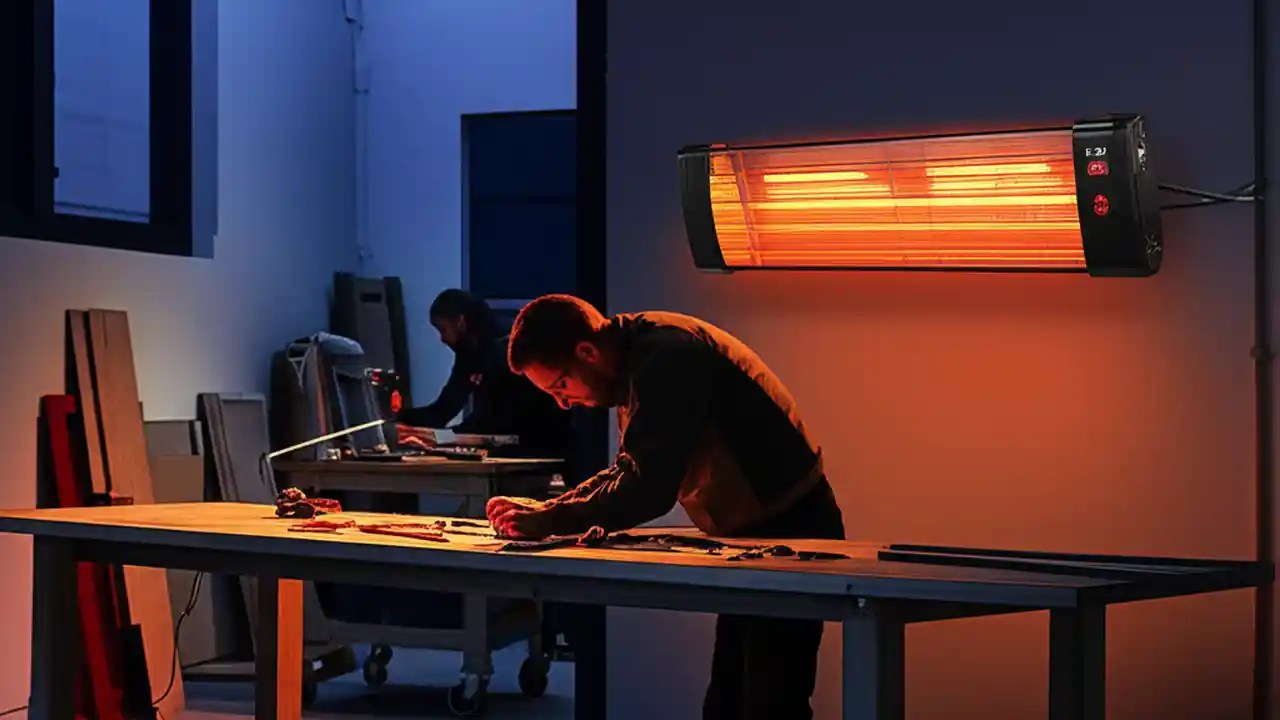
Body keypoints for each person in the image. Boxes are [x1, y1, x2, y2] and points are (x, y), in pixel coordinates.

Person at [485, 294, 845, 720]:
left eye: (561, 386)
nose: (562, 403)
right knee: (728, 704)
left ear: (586, 352)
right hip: (756, 538)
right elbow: (630, 468)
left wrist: (548, 520)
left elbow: (648, 488)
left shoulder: (667, 357)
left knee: (769, 706)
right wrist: (549, 510)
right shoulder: (638, 357)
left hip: (793, 533)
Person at [396, 289, 568, 458]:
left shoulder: (504, 350)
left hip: (537, 446)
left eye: (443, 329)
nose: (442, 339)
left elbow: (487, 421)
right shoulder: (469, 352)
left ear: (460, 322)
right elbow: (446, 407)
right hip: (510, 442)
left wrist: (435, 437)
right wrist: (400, 421)